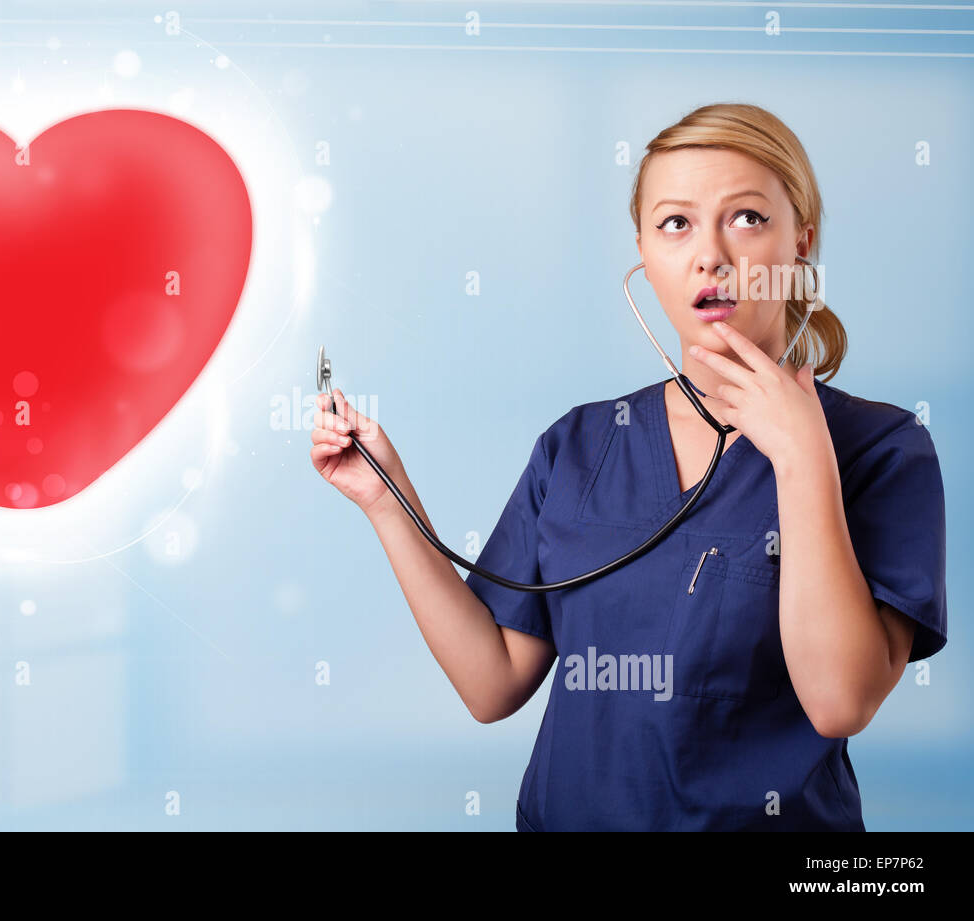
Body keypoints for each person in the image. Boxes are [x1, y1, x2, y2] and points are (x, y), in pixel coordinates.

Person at [308, 102, 947, 831]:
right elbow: (492, 681)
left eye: (746, 218)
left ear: (802, 241)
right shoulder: (580, 444)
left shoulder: (881, 448)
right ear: (644, 254)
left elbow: (841, 700)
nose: (710, 254)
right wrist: (386, 500)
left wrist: (802, 455)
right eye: (676, 223)